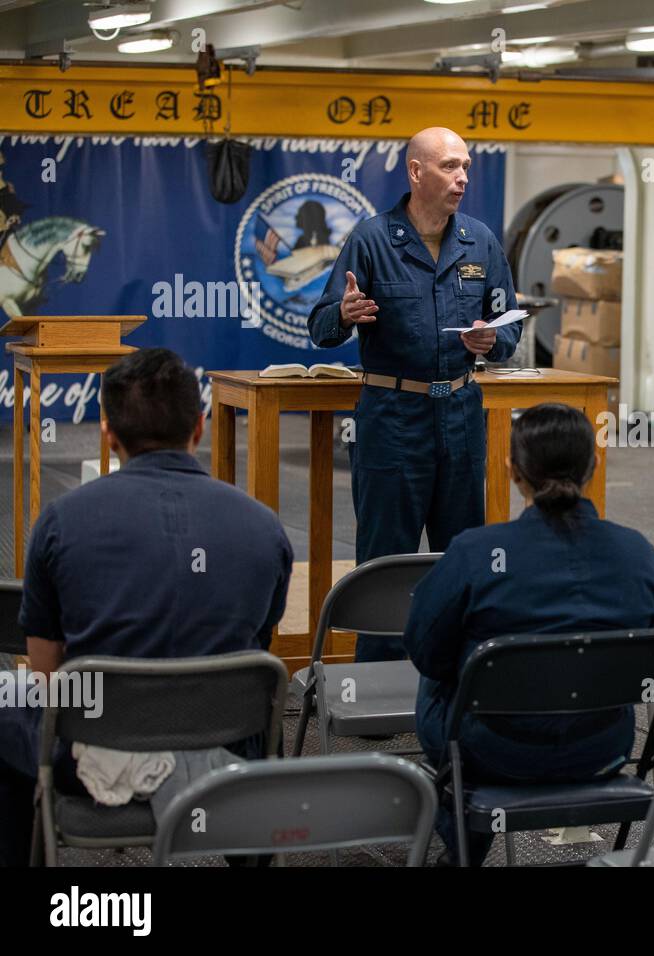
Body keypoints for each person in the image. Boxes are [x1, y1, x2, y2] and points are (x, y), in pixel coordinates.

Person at [0, 348, 293, 866]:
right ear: (199, 426)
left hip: (93, 740)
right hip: (228, 744)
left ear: (109, 431)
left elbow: (46, 680)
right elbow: (257, 654)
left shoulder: (61, 523)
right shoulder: (265, 528)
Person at [402, 404, 654, 866]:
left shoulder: (474, 551)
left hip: (492, 751)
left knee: (446, 666)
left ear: (512, 471)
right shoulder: (637, 552)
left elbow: (424, 651)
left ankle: (459, 841)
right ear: (594, 466)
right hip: (602, 747)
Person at [309, 127, 520, 662]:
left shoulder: (481, 241)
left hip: (461, 414)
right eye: (450, 166)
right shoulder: (371, 239)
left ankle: (456, 686)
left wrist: (494, 338)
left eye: (467, 166)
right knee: (386, 563)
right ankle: (375, 690)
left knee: (462, 557)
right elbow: (321, 326)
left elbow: (508, 328)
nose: (463, 177)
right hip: (392, 420)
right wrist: (344, 313)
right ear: (416, 171)